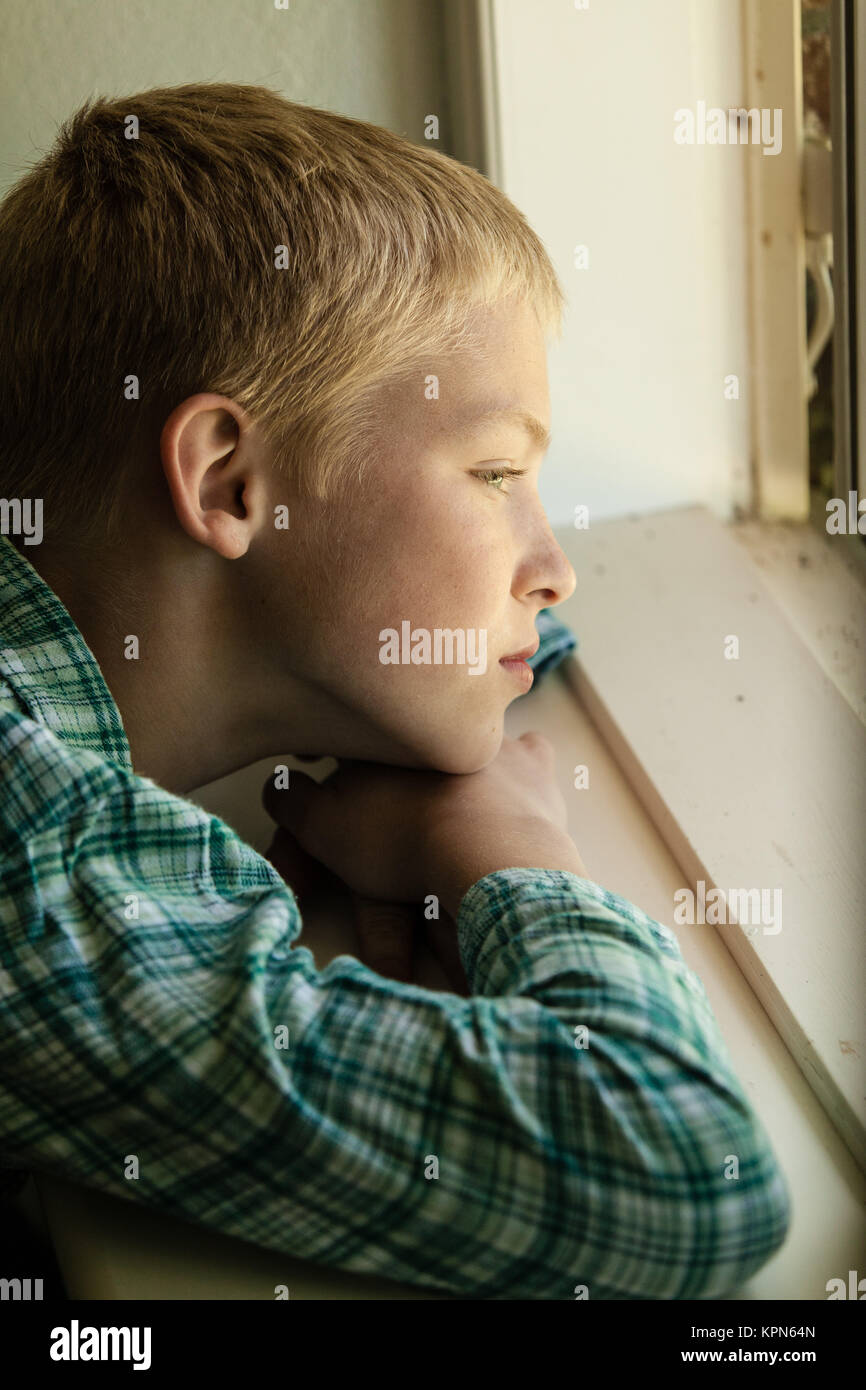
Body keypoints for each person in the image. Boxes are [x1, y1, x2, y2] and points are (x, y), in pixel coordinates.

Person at [0, 83, 790, 1300]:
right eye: (495, 472)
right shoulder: (32, 877)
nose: (555, 566)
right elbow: (683, 1168)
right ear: (228, 484)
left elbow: (481, 628)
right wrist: (508, 853)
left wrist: (412, 705)